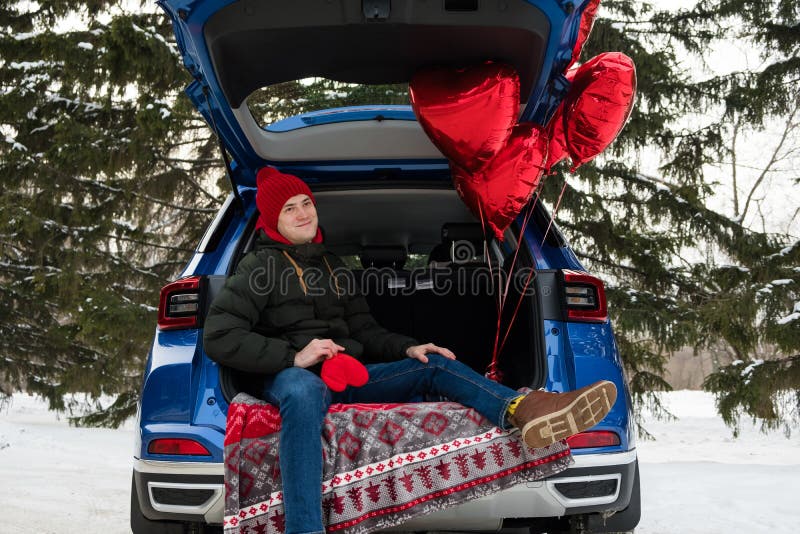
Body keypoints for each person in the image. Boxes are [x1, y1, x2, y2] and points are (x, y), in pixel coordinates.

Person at [203, 167, 617, 534]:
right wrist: (293, 357)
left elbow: (365, 330)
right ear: (275, 221)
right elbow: (220, 336)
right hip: (290, 375)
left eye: (306, 203)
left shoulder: (335, 267)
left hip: (346, 373)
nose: (303, 213)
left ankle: (523, 410)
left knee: (433, 363)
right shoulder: (259, 267)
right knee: (303, 392)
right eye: (289, 208)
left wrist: (410, 346)